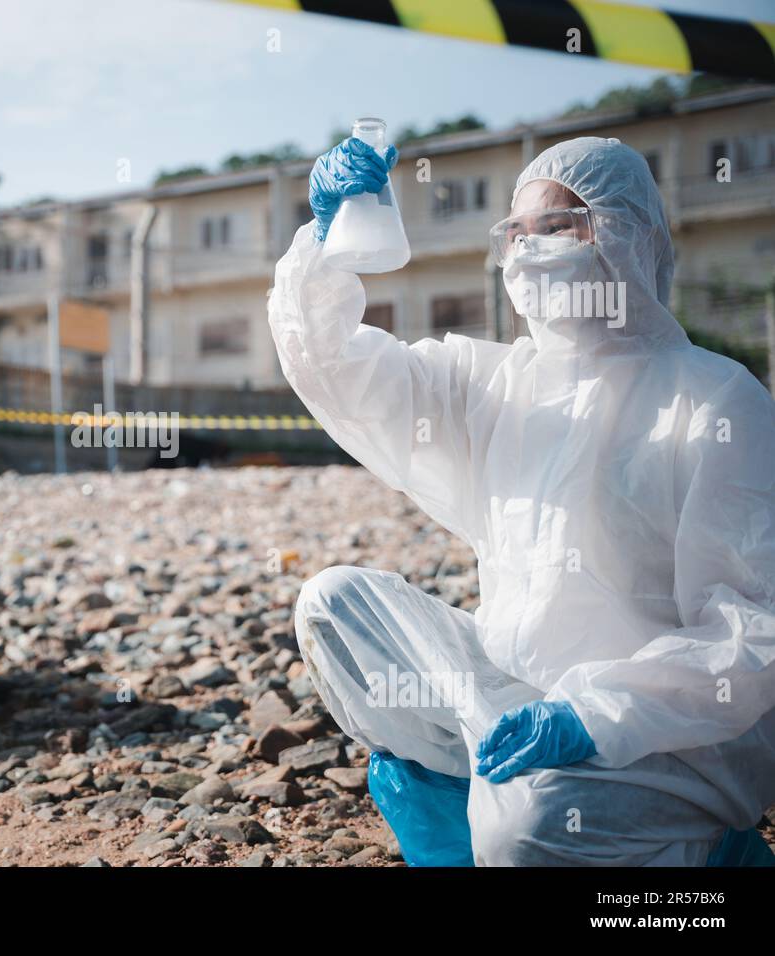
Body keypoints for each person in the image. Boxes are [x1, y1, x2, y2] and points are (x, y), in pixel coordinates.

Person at [268, 134, 775, 866]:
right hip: (519, 687)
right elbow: (340, 374)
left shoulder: (714, 399)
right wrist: (322, 246)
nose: (533, 250)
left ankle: (703, 853)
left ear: (627, 235)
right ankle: (467, 811)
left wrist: (593, 714)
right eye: (519, 233)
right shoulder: (498, 384)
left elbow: (752, 630)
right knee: (335, 607)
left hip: (668, 734)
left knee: (525, 830)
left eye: (560, 228)